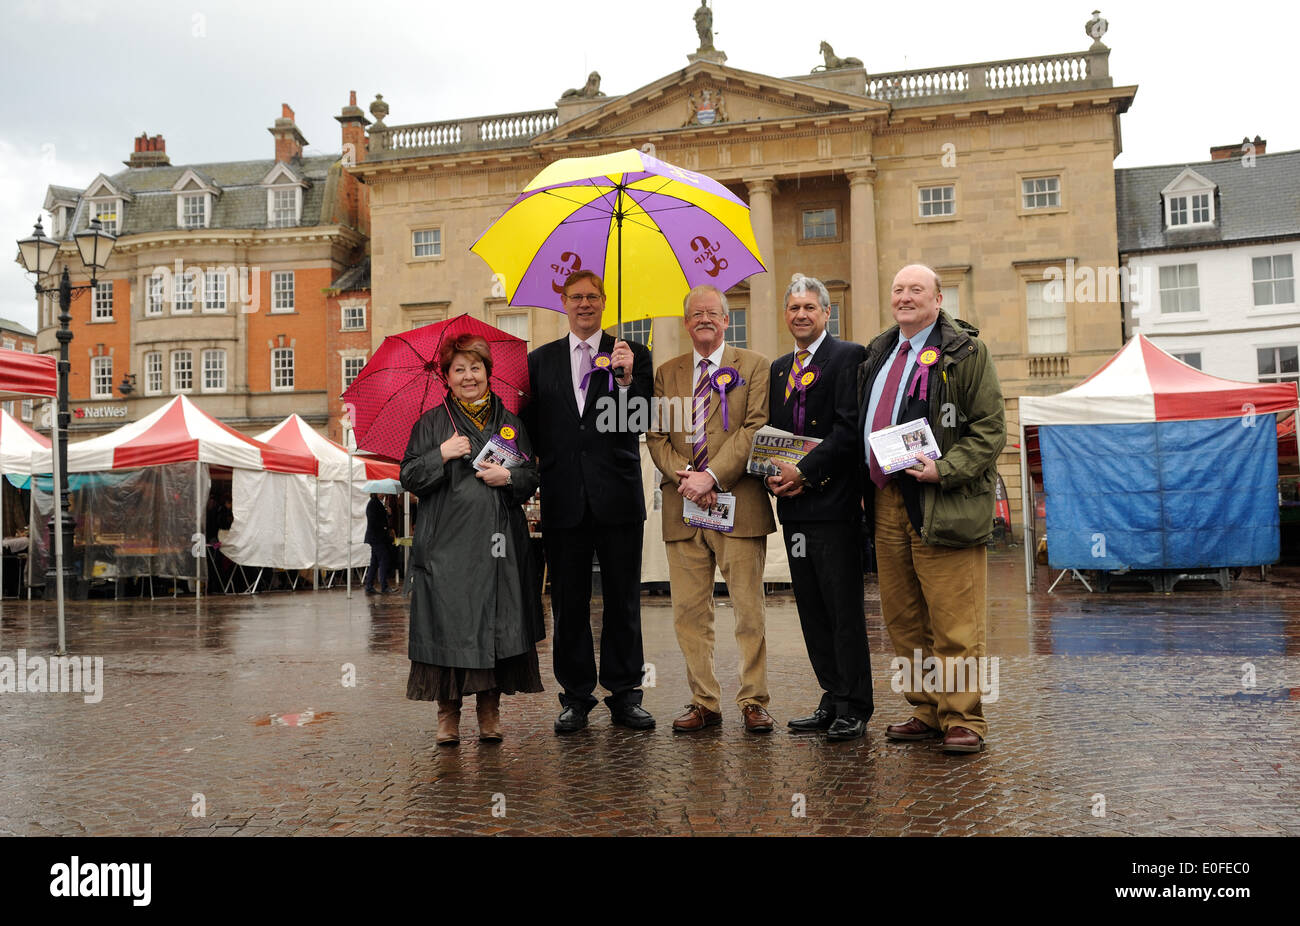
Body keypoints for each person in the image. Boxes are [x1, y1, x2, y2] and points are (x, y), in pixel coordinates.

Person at [858, 264, 1005, 754]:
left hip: (943, 498)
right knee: (903, 618)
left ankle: (963, 716)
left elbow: (989, 429)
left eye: (916, 290)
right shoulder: (879, 352)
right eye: (898, 289)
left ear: (938, 298)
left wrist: (945, 469)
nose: (905, 297)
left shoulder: (966, 352)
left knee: (954, 618)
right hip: (886, 499)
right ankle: (924, 708)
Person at [523, 269, 656, 734]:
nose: (584, 304)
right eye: (576, 296)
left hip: (617, 498)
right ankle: (576, 696)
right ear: (563, 302)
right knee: (569, 603)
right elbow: (531, 433)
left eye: (592, 296)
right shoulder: (539, 362)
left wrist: (622, 382)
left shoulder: (632, 355)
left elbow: (637, 421)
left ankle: (624, 694)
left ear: (604, 302)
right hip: (563, 499)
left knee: (623, 600)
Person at [401, 334, 544, 746]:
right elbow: (409, 476)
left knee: (494, 625)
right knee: (448, 627)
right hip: (446, 547)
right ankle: (447, 715)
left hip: (498, 545)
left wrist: (511, 477)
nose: (468, 376)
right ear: (446, 376)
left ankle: (489, 711)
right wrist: (440, 454)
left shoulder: (511, 422)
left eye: (475, 368)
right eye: (459, 369)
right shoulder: (431, 423)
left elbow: (532, 474)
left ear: (487, 372)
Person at [646, 284, 775, 734]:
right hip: (685, 509)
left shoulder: (755, 366)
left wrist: (712, 477)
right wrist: (687, 476)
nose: (704, 318)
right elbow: (656, 435)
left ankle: (754, 700)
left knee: (748, 610)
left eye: (712, 313)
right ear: (686, 323)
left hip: (738, 505)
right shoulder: (667, 373)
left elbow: (754, 427)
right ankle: (704, 701)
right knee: (689, 613)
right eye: (696, 313)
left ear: (726, 319)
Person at [766, 276, 873, 741]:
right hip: (794, 512)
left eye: (810, 307)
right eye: (793, 308)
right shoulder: (777, 368)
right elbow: (776, 434)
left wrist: (804, 472)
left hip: (834, 507)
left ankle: (855, 704)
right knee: (811, 610)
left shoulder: (849, 357)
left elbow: (849, 431)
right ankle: (831, 695)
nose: (801, 315)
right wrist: (772, 474)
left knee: (843, 610)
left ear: (826, 313)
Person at [363, 493, 395, 595]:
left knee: (375, 562)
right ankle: (384, 586)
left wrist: (388, 513)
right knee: (384, 559)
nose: (383, 494)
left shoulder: (378, 503)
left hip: (378, 537)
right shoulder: (373, 504)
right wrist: (385, 525)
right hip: (376, 537)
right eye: (381, 492)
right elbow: (374, 521)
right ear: (376, 493)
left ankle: (369, 586)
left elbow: (382, 519)